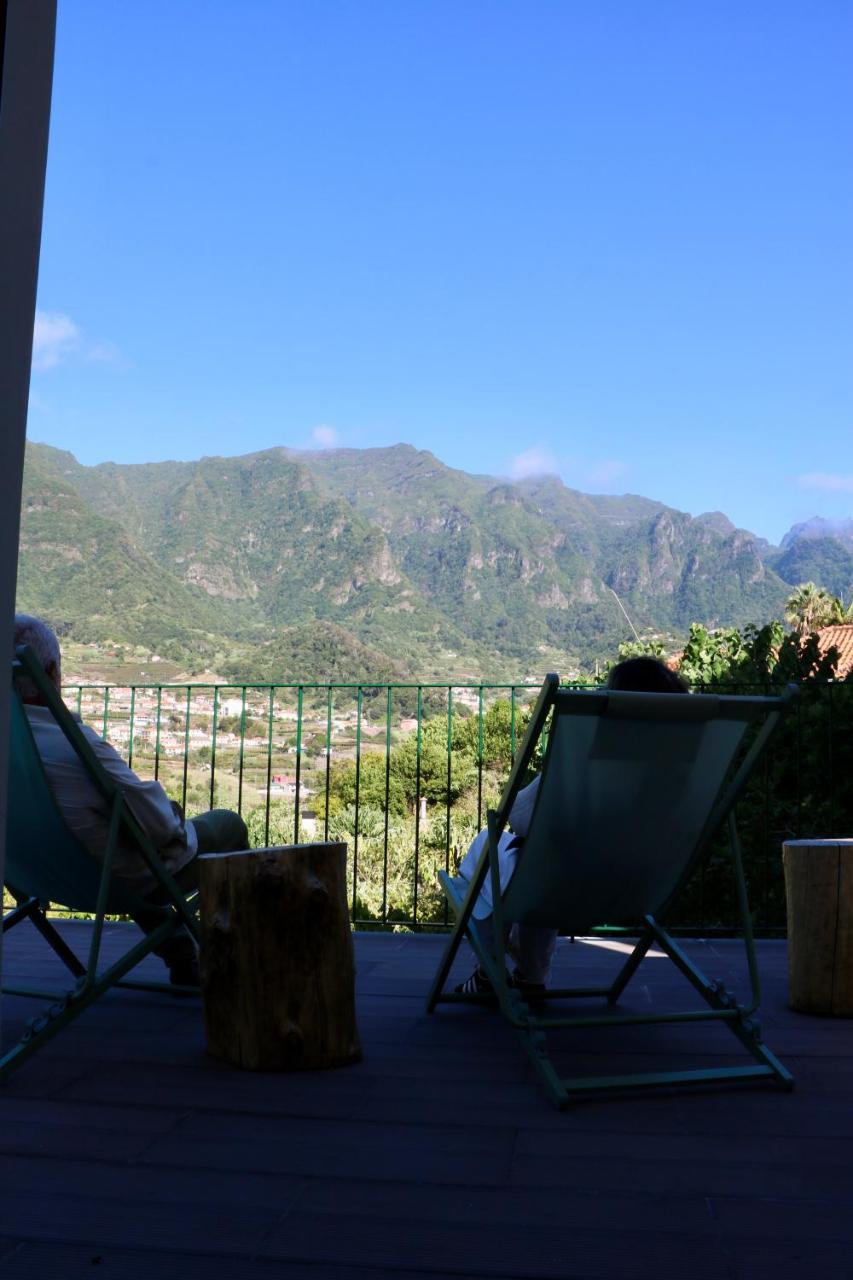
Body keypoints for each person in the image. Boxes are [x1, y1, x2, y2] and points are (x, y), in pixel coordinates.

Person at [13, 614, 249, 985]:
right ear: (52, 670)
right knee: (225, 826)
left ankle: (180, 954)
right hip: (109, 880)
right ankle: (231, 958)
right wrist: (173, 817)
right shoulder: (72, 742)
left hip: (35, 873)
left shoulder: (10, 744)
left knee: (112, 841)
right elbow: (157, 825)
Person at [454, 656, 689, 997]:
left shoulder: (592, 760)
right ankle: (531, 979)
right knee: (544, 856)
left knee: (495, 850)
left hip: (562, 885)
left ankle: (491, 973)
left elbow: (518, 816)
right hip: (639, 888)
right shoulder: (684, 770)